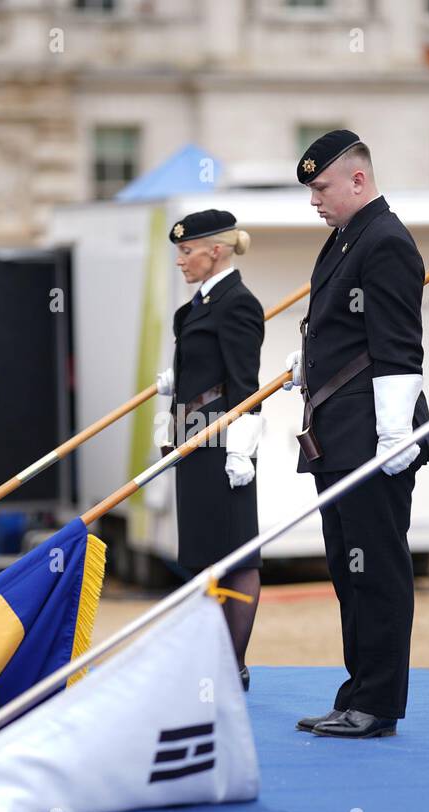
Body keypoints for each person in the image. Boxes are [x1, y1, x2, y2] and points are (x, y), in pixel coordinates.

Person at [285, 130, 429, 739]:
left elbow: (399, 346)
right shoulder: (345, 241)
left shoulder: (387, 242)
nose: (314, 200)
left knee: (378, 571)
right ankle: (356, 692)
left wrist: (394, 437)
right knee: (350, 573)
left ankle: (378, 703)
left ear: (357, 179)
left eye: (321, 187)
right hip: (339, 435)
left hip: (376, 437)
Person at [155, 210, 265, 690]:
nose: (180, 260)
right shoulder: (195, 307)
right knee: (201, 553)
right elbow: (204, 365)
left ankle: (231, 662)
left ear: (215, 251)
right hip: (193, 441)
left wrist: (241, 449)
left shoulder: (238, 303)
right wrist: (177, 384)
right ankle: (208, 656)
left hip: (224, 445)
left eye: (186, 251)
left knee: (236, 556)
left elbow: (245, 384)